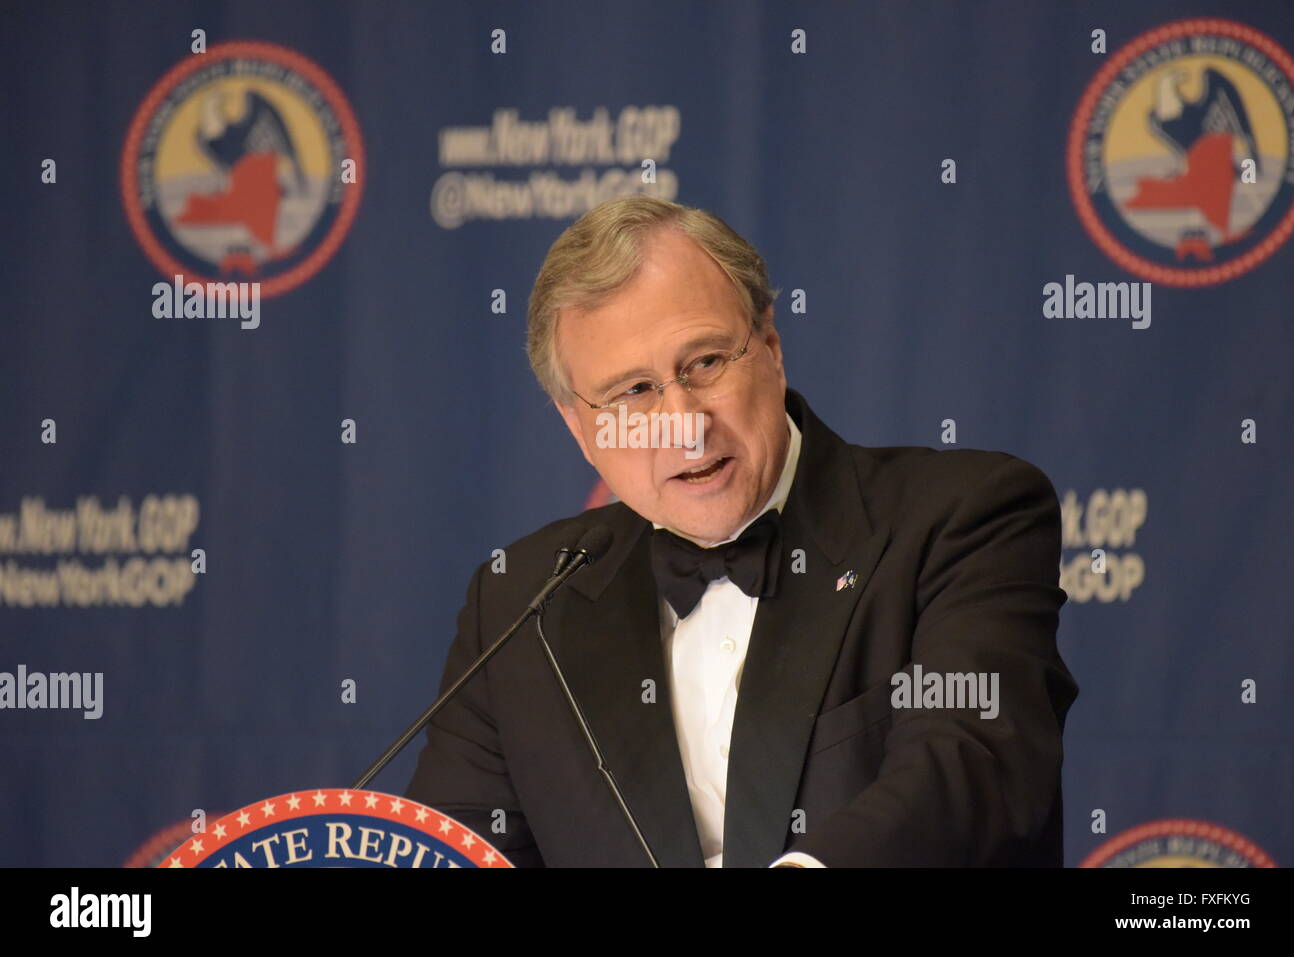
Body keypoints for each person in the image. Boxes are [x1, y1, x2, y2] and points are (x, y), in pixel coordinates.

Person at [405, 195, 1078, 867]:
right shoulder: (522, 603)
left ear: (771, 346)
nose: (684, 423)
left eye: (704, 362)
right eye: (633, 392)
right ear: (578, 428)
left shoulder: (964, 517)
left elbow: (973, 770)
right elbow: (454, 852)